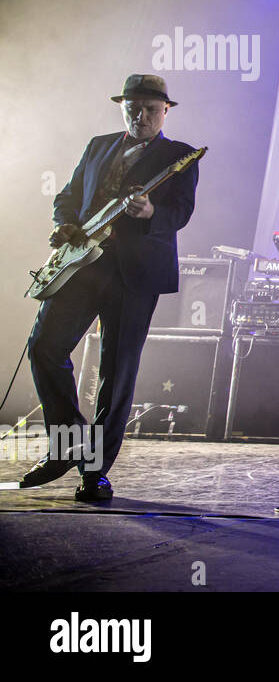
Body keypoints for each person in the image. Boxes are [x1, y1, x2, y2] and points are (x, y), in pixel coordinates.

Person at [21, 74, 199, 502]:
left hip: (134, 275)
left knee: (116, 374)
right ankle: (70, 446)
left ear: (166, 111)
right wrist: (63, 224)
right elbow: (67, 196)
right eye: (133, 107)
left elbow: (181, 213)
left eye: (151, 109)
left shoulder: (181, 156)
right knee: (44, 347)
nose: (141, 116)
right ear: (122, 107)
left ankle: (94, 471)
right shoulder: (99, 144)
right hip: (81, 266)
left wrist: (150, 210)